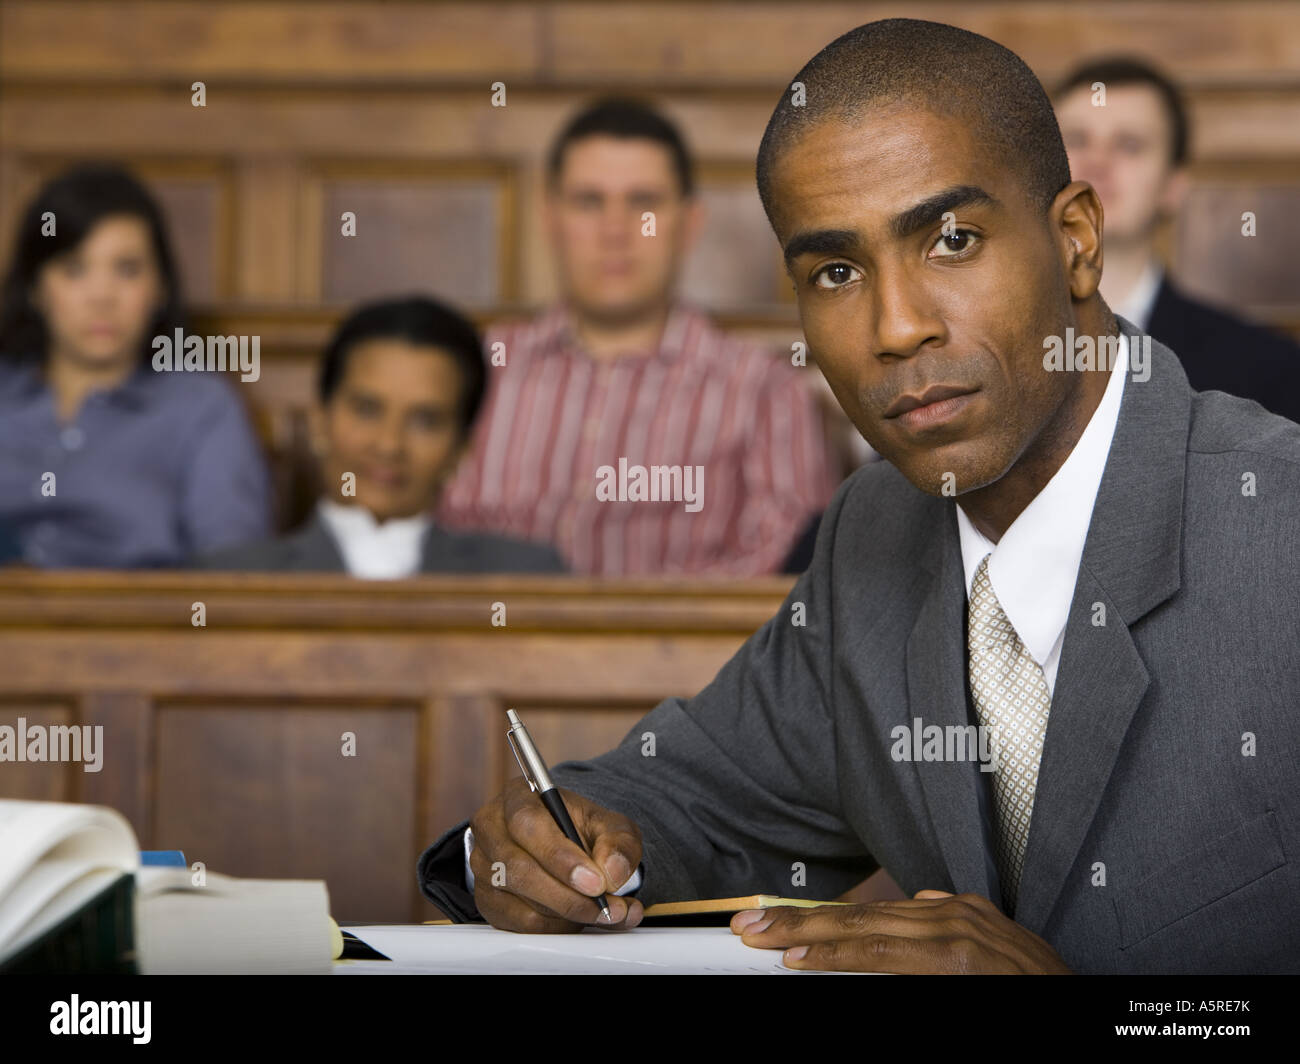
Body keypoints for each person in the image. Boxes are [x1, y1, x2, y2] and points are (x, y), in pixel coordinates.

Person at [416, 19, 1300, 974]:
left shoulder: (1278, 526)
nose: (897, 326)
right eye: (836, 271)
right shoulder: (875, 530)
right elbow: (696, 801)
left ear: (1077, 240)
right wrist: (542, 849)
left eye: (952, 240)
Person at [434, 96, 839, 576]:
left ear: (689, 224)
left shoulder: (763, 391)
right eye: (589, 202)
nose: (615, 231)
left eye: (642, 203)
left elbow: (787, 579)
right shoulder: (474, 369)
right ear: (550, 219)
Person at [0, 163, 271, 567]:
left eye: (127, 269)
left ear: (160, 287)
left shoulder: (201, 408)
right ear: (36, 288)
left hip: (145, 624)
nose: (102, 296)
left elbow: (236, 571)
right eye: (74, 269)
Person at [199, 296, 564, 575]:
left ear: (461, 450)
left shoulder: (526, 577)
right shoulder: (229, 579)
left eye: (425, 421)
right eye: (367, 410)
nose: (389, 445)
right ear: (320, 422)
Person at [1054, 57, 1300, 424]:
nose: (1097, 161)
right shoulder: (979, 349)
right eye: (1076, 140)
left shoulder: (1267, 369)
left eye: (1129, 144)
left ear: (1173, 186)